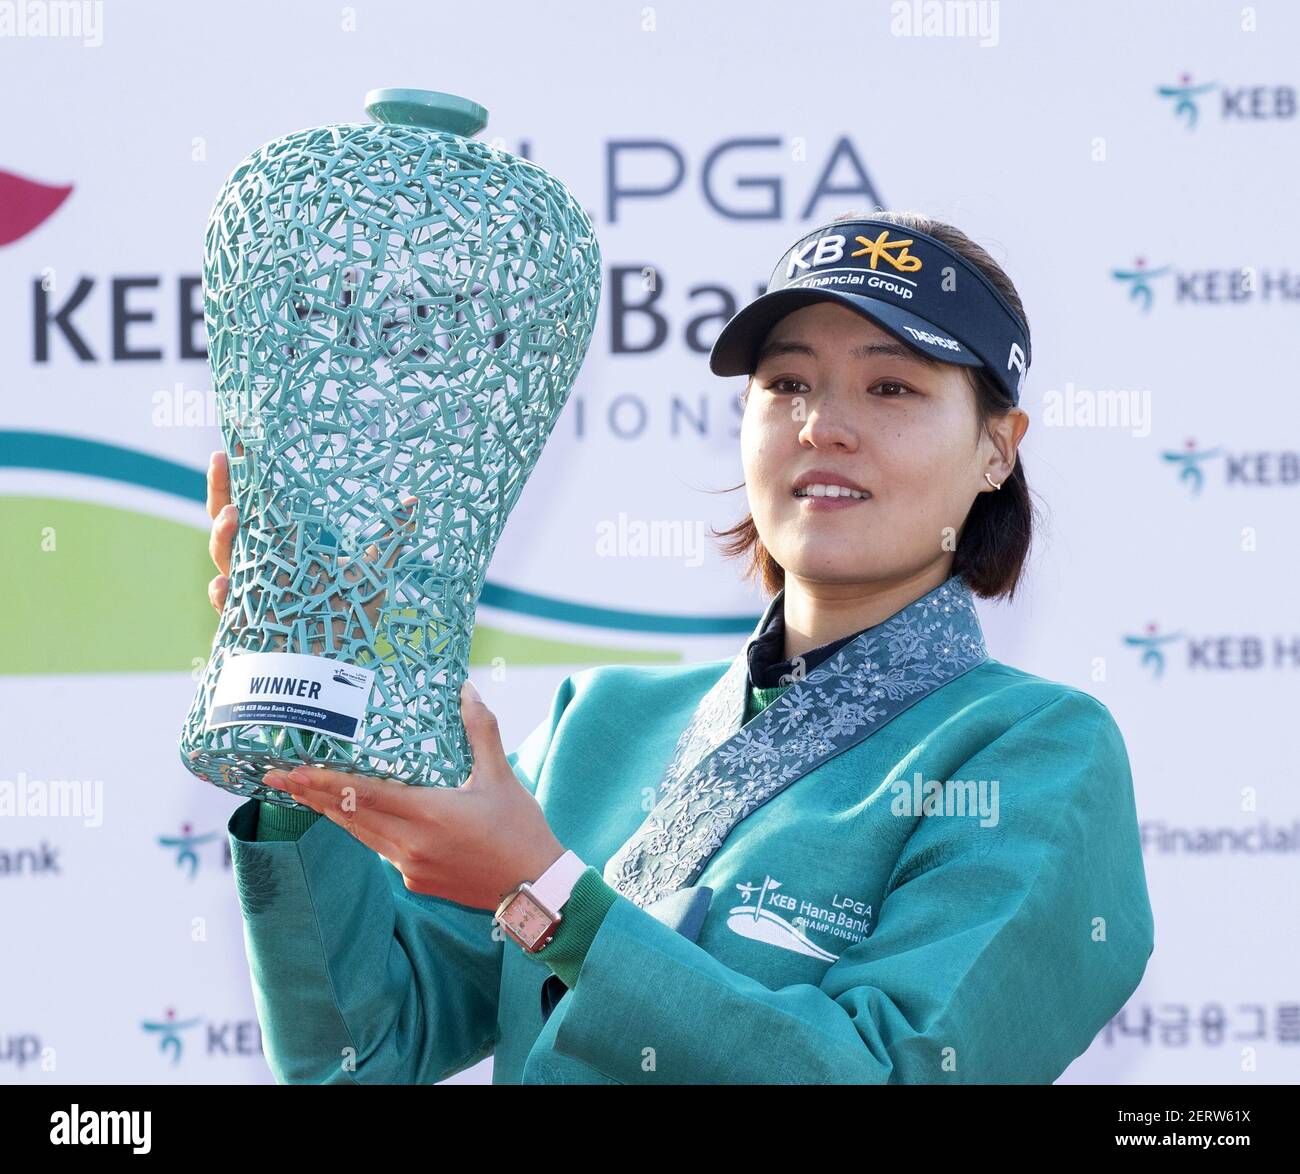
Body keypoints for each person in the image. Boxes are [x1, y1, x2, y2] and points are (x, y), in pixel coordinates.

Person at [212, 209, 1155, 1084]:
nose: (822, 425)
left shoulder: (1035, 749)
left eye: (893, 385)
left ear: (999, 446)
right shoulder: (603, 722)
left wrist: (545, 891)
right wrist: (302, 683)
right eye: (786, 383)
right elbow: (360, 1048)